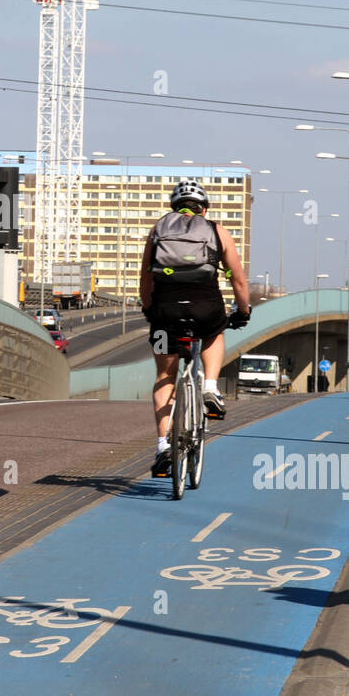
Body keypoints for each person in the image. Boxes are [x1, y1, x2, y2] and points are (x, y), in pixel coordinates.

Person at [139, 179, 251, 478]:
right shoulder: (217, 231)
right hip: (205, 308)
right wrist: (243, 311)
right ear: (203, 208)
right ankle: (211, 387)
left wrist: (150, 310)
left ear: (175, 207)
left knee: (165, 376)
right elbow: (238, 280)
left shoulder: (158, 231)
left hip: (166, 311)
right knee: (215, 330)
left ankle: (164, 446)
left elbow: (146, 279)